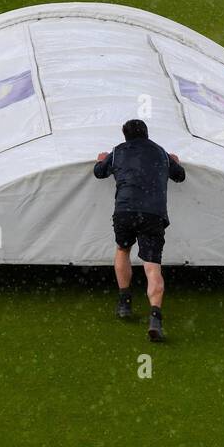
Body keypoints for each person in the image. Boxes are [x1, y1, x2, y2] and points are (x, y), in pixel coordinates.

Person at [93, 119, 185, 342]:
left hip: (124, 210)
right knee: (152, 267)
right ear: (146, 133)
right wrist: (174, 162)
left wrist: (102, 160)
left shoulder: (118, 152)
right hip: (153, 214)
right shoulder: (161, 153)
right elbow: (180, 176)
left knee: (123, 250)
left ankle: (124, 302)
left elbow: (99, 172)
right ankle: (155, 317)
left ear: (125, 136)